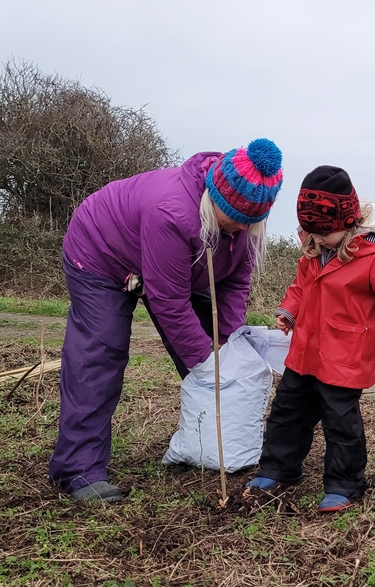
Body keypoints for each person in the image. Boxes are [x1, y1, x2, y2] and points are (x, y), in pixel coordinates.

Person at [51, 138, 285, 503]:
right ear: (215, 203)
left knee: (215, 347)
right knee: (101, 354)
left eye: (250, 224)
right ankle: (79, 469)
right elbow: (169, 301)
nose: (241, 230)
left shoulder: (247, 225)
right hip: (100, 253)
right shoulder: (173, 212)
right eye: (235, 222)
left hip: (177, 264)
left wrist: (226, 344)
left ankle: (212, 445)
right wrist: (206, 361)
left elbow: (235, 283)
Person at [244, 165, 375, 513]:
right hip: (305, 352)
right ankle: (277, 469)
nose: (315, 240)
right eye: (310, 232)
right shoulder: (313, 250)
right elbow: (302, 286)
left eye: (323, 233)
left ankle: (344, 485)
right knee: (287, 412)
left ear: (348, 222)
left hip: (346, 356)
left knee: (340, 421)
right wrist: (289, 311)